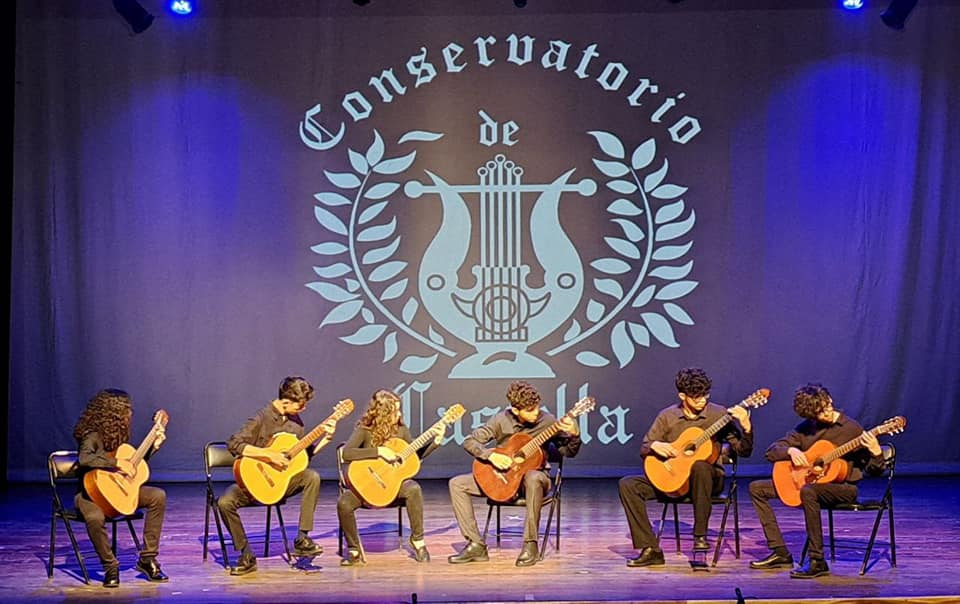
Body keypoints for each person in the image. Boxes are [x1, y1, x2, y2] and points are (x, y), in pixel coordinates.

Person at [618, 367, 753, 567]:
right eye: (696, 397)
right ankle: (651, 549)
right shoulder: (668, 416)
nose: (702, 401)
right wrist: (655, 446)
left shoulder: (720, 415)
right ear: (682, 396)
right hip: (676, 480)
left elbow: (743, 451)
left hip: (708, 481)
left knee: (700, 466)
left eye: (705, 395)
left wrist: (746, 426)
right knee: (628, 484)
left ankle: (700, 537)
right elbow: (645, 447)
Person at [748, 383, 884, 578]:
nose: (826, 412)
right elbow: (771, 451)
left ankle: (817, 560)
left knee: (808, 491)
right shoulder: (807, 428)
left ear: (830, 399)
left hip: (844, 488)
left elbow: (873, 470)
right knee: (757, 488)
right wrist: (790, 450)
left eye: (827, 405)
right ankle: (780, 552)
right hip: (811, 484)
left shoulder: (851, 429)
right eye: (820, 412)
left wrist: (876, 452)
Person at [447, 381, 581, 567]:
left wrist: (575, 434)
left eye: (537, 407)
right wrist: (490, 455)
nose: (536, 412)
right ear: (516, 410)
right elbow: (470, 441)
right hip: (505, 478)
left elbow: (569, 452)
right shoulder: (501, 420)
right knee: (457, 483)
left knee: (533, 477)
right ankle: (476, 545)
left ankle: (530, 544)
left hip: (534, 481)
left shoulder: (548, 421)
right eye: (530, 410)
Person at [220, 376, 336, 575]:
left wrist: (327, 437)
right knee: (224, 503)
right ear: (285, 401)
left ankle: (302, 538)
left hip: (280, 484)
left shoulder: (296, 423)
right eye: (300, 405)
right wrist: (269, 455)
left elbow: (302, 458)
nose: (303, 409)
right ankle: (246, 555)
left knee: (312, 476)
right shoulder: (261, 418)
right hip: (254, 482)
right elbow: (234, 444)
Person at [337, 389, 446, 566]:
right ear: (383, 413)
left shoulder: (401, 430)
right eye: (395, 411)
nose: (400, 414)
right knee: (344, 503)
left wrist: (435, 442)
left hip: (391, 487)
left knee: (413, 489)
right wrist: (378, 451)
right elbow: (347, 453)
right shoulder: (364, 430)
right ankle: (354, 549)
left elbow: (413, 457)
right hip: (366, 487)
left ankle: (418, 541)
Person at [72, 389, 168, 588]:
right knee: (95, 518)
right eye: (126, 410)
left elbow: (132, 466)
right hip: (90, 494)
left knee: (157, 496)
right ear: (113, 413)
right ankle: (110, 566)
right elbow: (85, 458)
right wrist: (116, 463)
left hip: (118, 490)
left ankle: (147, 559)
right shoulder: (91, 435)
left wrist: (154, 446)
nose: (130, 414)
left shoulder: (117, 436)